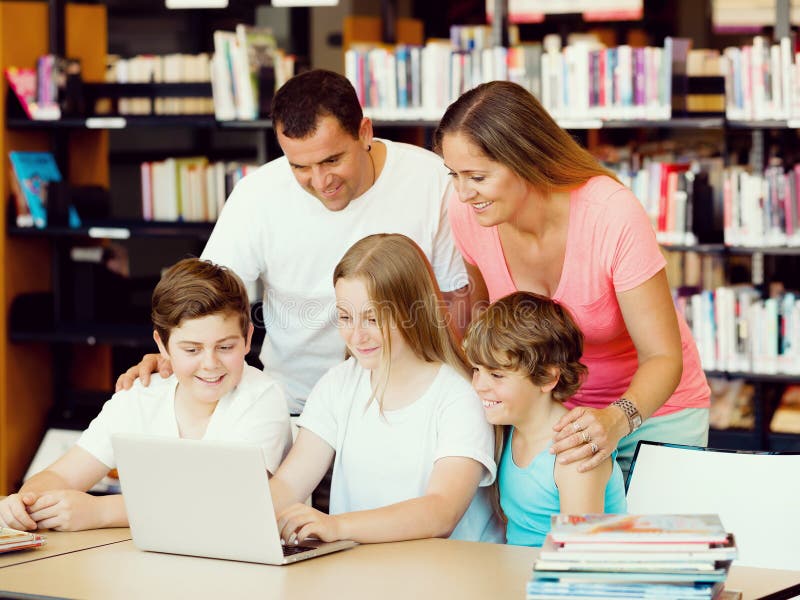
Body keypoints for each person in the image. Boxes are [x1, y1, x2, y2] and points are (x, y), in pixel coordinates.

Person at [116, 69, 468, 415]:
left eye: (333, 159)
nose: (320, 181)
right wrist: (169, 356)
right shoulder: (258, 195)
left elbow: (457, 302)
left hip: (403, 402)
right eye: (300, 166)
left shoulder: (431, 180)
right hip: (293, 404)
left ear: (364, 132)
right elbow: (205, 296)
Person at [434, 80, 710, 478]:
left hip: (653, 414)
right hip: (547, 418)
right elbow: (485, 326)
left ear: (524, 160)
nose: (462, 193)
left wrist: (615, 421)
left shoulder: (610, 214)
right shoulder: (470, 217)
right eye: (453, 175)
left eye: (477, 177)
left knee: (645, 539)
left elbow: (664, 357)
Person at [0, 258, 292, 532]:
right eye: (191, 349)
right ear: (162, 345)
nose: (210, 363)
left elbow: (225, 504)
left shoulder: (262, 398)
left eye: (225, 347)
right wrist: (27, 502)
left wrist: (102, 512)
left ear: (247, 339)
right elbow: (62, 476)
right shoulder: (140, 396)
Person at [269, 234, 501, 545]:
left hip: (446, 577)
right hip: (364, 573)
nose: (356, 335)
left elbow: (440, 512)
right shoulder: (339, 383)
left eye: (372, 318)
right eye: (345, 317)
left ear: (413, 313)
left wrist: (336, 526)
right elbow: (288, 484)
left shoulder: (459, 396)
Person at [463, 291, 627, 547]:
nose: (479, 385)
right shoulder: (506, 430)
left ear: (549, 378)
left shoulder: (574, 450)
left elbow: (579, 556)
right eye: (476, 370)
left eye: (496, 375)